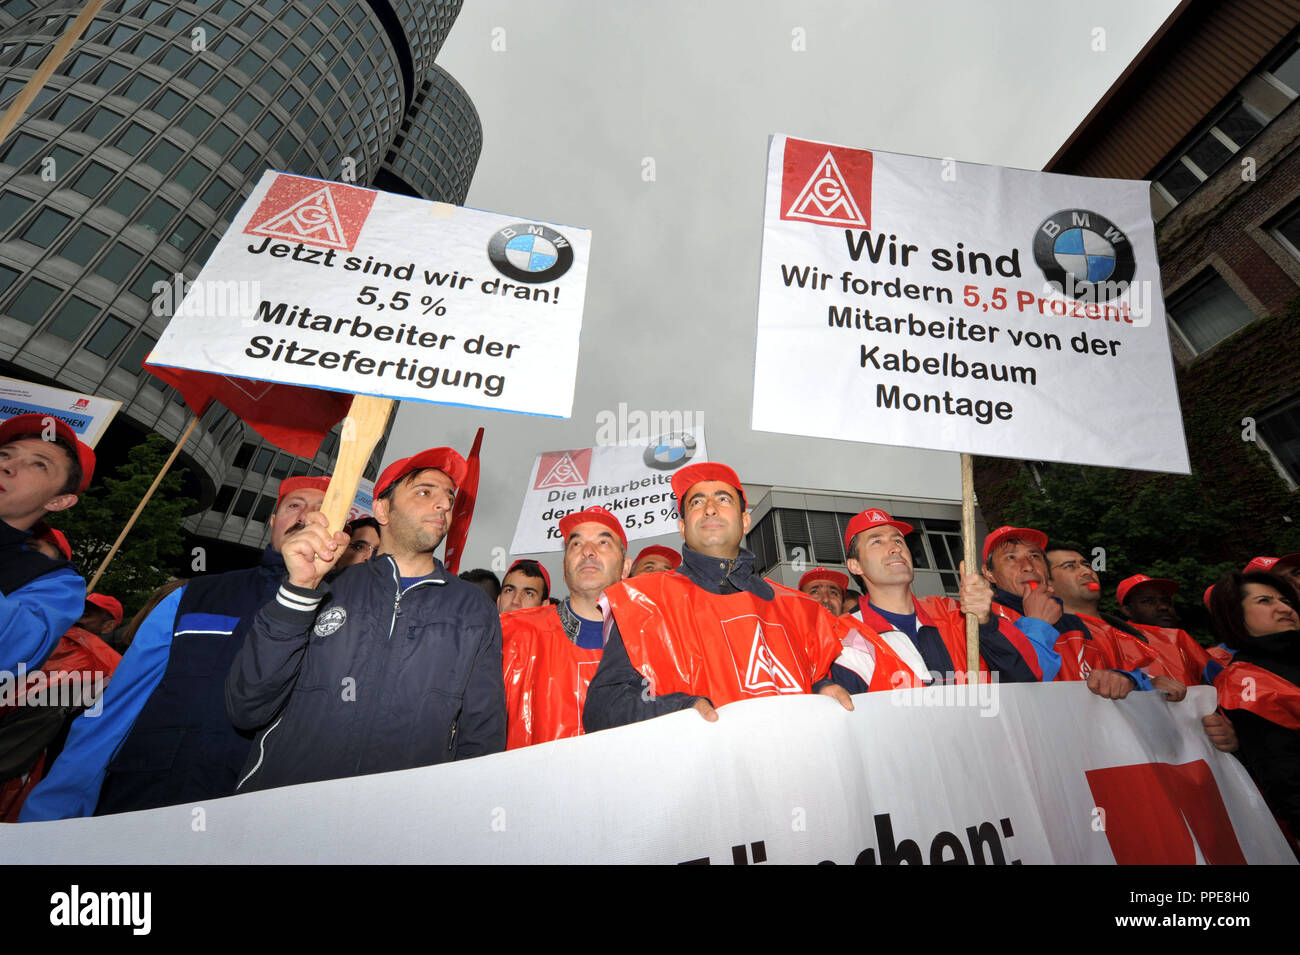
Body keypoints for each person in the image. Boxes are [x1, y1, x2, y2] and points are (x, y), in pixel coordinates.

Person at [20, 476, 328, 820]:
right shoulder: (194, 596)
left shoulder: (354, 615)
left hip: (261, 820)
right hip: (148, 804)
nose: (305, 517)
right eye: (294, 505)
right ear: (273, 521)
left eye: (321, 509)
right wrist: (54, 812)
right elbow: (117, 710)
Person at [226, 447, 505, 793]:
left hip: (400, 824)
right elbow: (247, 706)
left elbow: (483, 733)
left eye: (449, 496)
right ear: (382, 509)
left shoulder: (473, 608)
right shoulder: (324, 585)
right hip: (289, 813)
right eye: (424, 492)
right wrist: (299, 590)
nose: (444, 505)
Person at [583, 462, 857, 731]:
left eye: (722, 499)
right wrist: (681, 710)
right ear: (682, 526)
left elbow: (811, 679)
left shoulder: (799, 607)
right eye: (696, 503)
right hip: (702, 769)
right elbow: (604, 709)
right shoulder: (644, 601)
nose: (710, 509)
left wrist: (822, 690)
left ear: (745, 521)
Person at [838, 509, 1043, 690]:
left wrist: (986, 623)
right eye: (877, 542)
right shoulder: (845, 635)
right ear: (855, 566)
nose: (895, 548)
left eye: (898, 540)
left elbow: (1027, 678)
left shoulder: (958, 612)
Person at [501, 506, 628, 747]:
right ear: (564, 569)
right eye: (576, 545)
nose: (588, 552)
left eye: (603, 542)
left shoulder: (654, 639)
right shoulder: (511, 636)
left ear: (625, 568)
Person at [982, 526, 1147, 699]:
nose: (1028, 567)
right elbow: (1019, 689)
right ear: (989, 573)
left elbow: (1128, 673)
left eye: (1034, 556)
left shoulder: (1077, 624)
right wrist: (1039, 624)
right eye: (1011, 557)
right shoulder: (983, 623)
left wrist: (1130, 680)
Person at [0, 412, 95, 675]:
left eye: (39, 465)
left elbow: (9, 651)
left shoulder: (57, 584)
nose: (7, 465)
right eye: (5, 454)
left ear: (58, 502)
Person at [1209, 571, 1300, 842]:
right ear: (1236, 615)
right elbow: (1282, 770)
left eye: (1286, 601)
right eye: (1265, 601)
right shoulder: (1244, 680)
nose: (1284, 608)